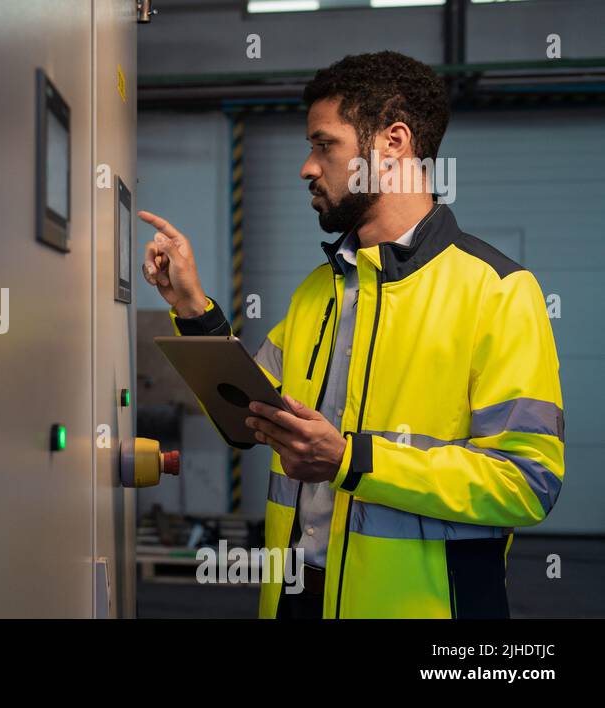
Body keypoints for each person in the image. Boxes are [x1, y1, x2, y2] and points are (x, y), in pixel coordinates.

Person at [141, 51, 564, 619]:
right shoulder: (319, 290)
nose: (307, 168)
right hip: (297, 601)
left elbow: (526, 482)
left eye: (324, 145)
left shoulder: (498, 291)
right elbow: (246, 418)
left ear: (393, 144)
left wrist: (350, 459)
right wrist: (192, 306)